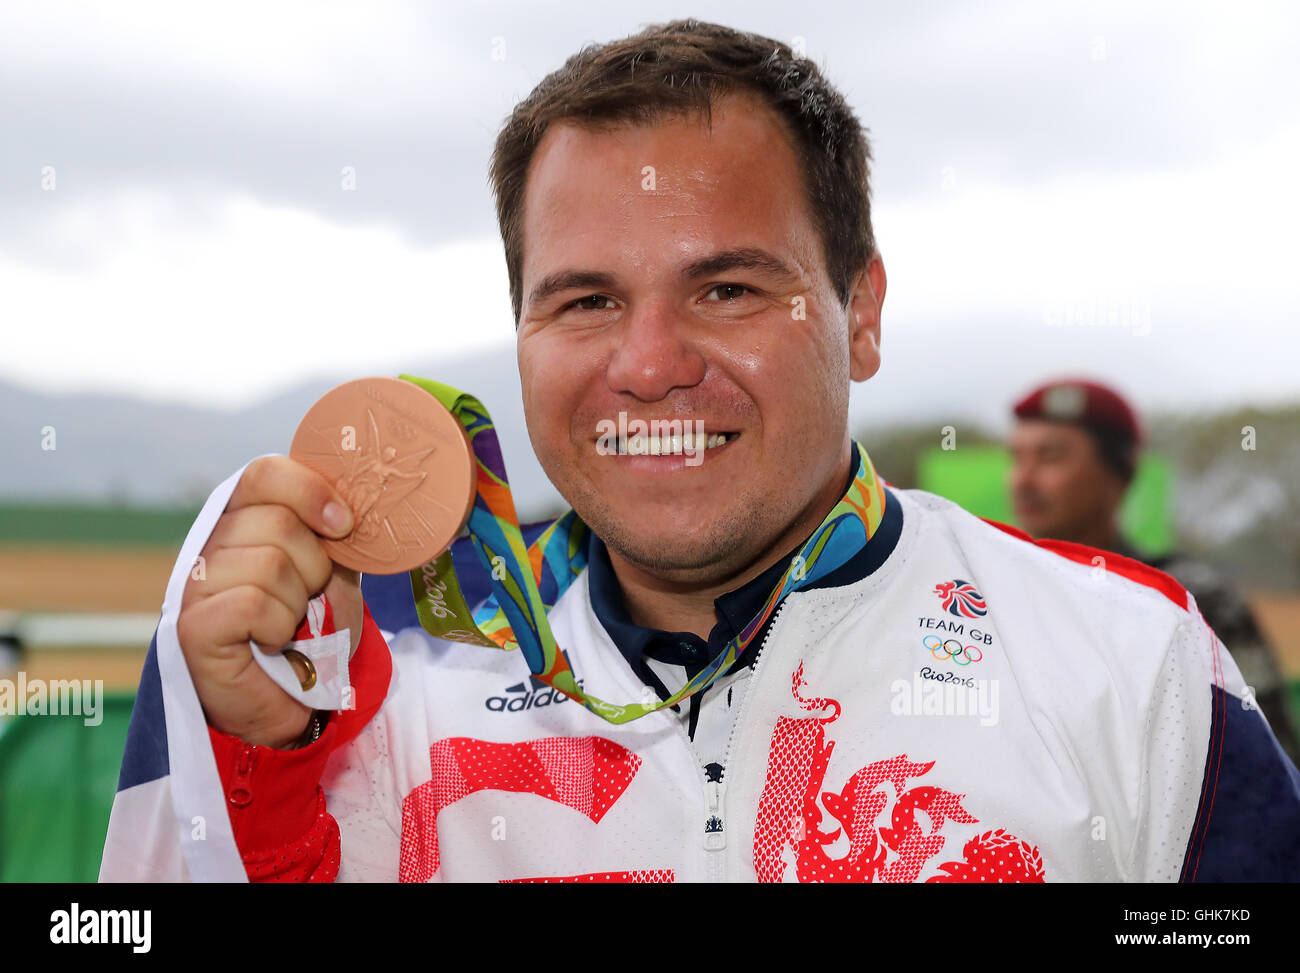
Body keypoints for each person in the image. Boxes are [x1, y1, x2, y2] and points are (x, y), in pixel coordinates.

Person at [102, 19, 1300, 883]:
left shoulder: (1129, 659)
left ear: (861, 312)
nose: (651, 361)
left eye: (726, 286)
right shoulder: (366, 680)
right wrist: (250, 759)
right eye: (583, 302)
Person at [1008, 376, 1300, 766]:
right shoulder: (1000, 596)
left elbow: (1269, 760)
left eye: (1051, 457)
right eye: (1016, 458)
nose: (1023, 480)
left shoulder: (1187, 600)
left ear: (1120, 473)